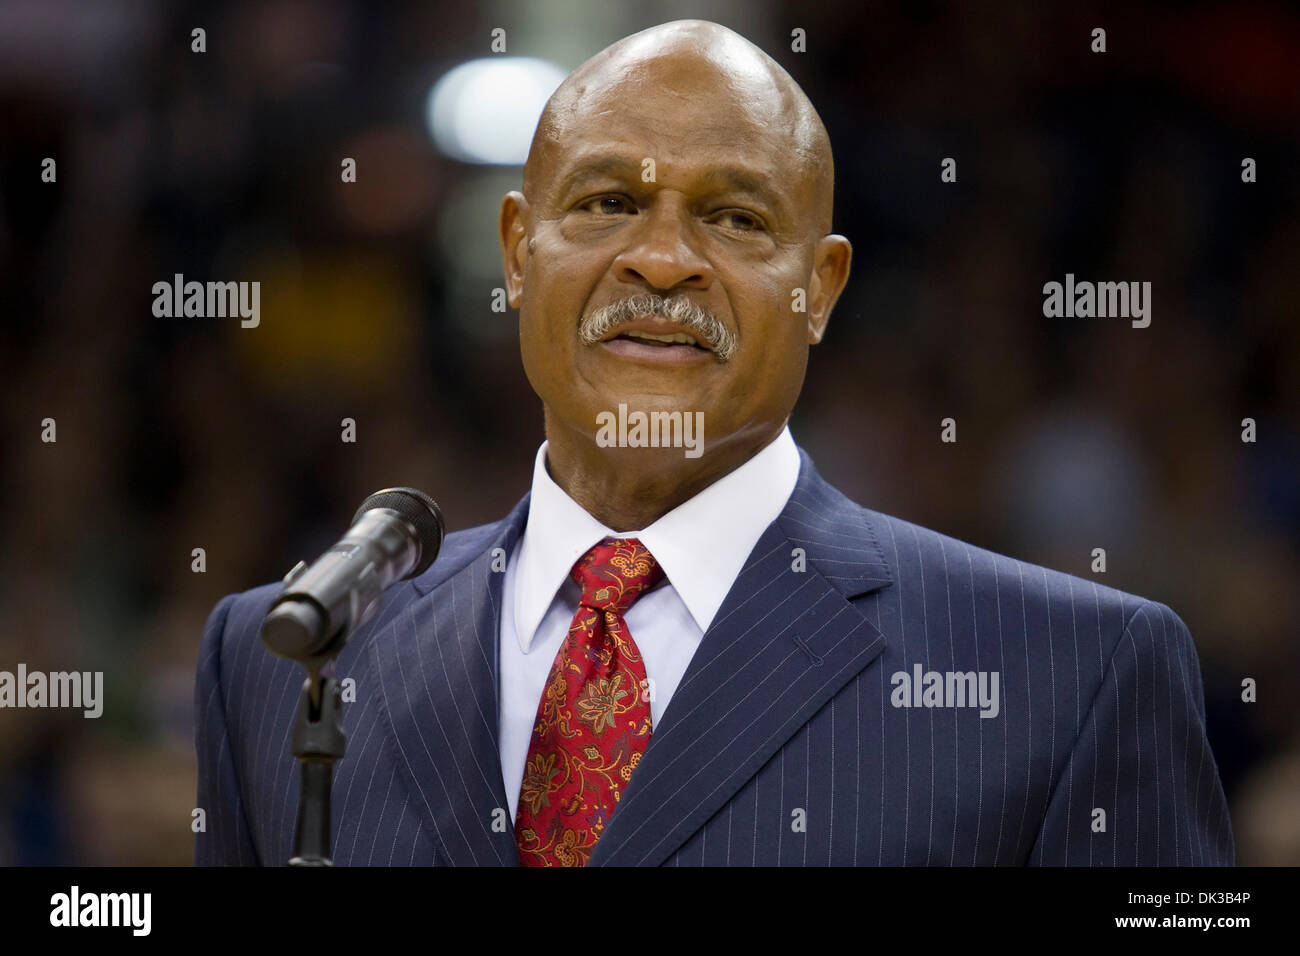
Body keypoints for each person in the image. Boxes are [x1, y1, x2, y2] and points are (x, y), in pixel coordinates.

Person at [194, 19, 1233, 866]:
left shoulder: (1072, 672)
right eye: (606, 203)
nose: (658, 259)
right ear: (517, 252)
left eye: (734, 219)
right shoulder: (281, 660)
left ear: (818, 288)